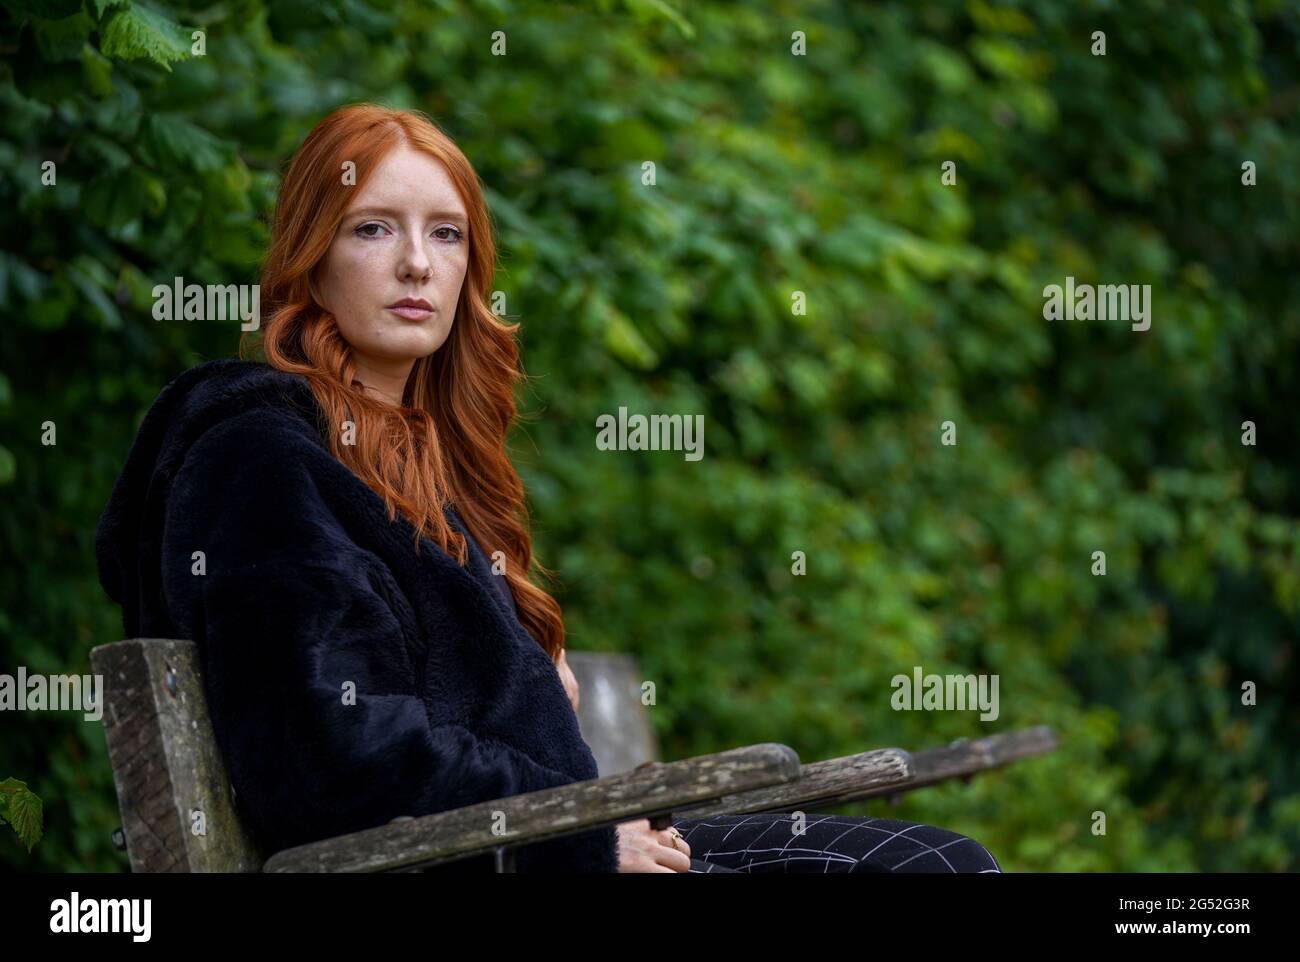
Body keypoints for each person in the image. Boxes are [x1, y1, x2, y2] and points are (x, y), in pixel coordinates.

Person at [94, 103, 1000, 874]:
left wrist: (543, 717)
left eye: (445, 233)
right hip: (499, 861)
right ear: (311, 254)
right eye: (373, 228)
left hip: (540, 847)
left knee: (934, 859)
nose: (417, 264)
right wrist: (582, 839)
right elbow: (328, 757)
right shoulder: (261, 459)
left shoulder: (415, 459)